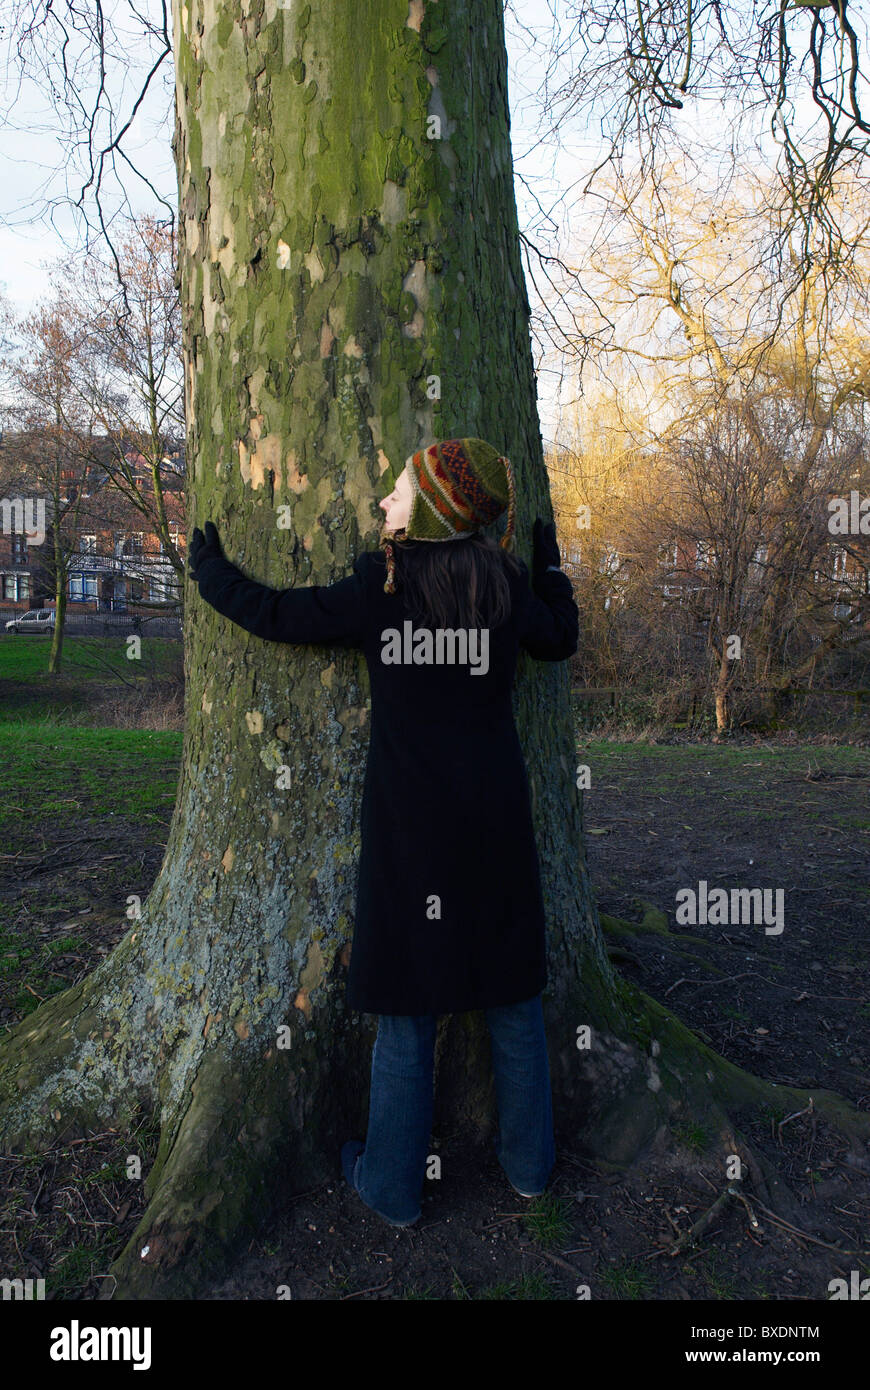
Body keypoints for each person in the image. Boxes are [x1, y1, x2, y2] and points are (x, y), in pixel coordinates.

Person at [187, 436, 579, 1228]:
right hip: (496, 825)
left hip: (413, 834)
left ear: (431, 512)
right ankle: (529, 1168)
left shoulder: (382, 587)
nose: (383, 504)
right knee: (513, 1000)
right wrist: (548, 567)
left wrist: (210, 574)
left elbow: (279, 616)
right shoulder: (502, 587)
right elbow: (558, 637)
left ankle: (393, 1188)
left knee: (407, 1011)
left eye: (398, 493)